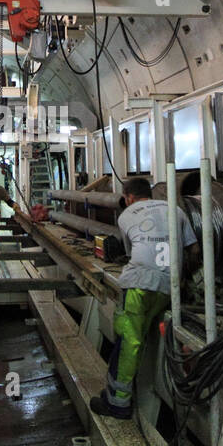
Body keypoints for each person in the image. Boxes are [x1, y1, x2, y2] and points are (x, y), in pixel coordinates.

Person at [90, 176, 197, 420]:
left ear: (128, 197)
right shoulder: (175, 209)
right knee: (139, 335)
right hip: (167, 288)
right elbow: (194, 249)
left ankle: (117, 403)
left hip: (138, 285)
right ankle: (130, 392)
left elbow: (132, 255)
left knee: (129, 339)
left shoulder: (126, 215)